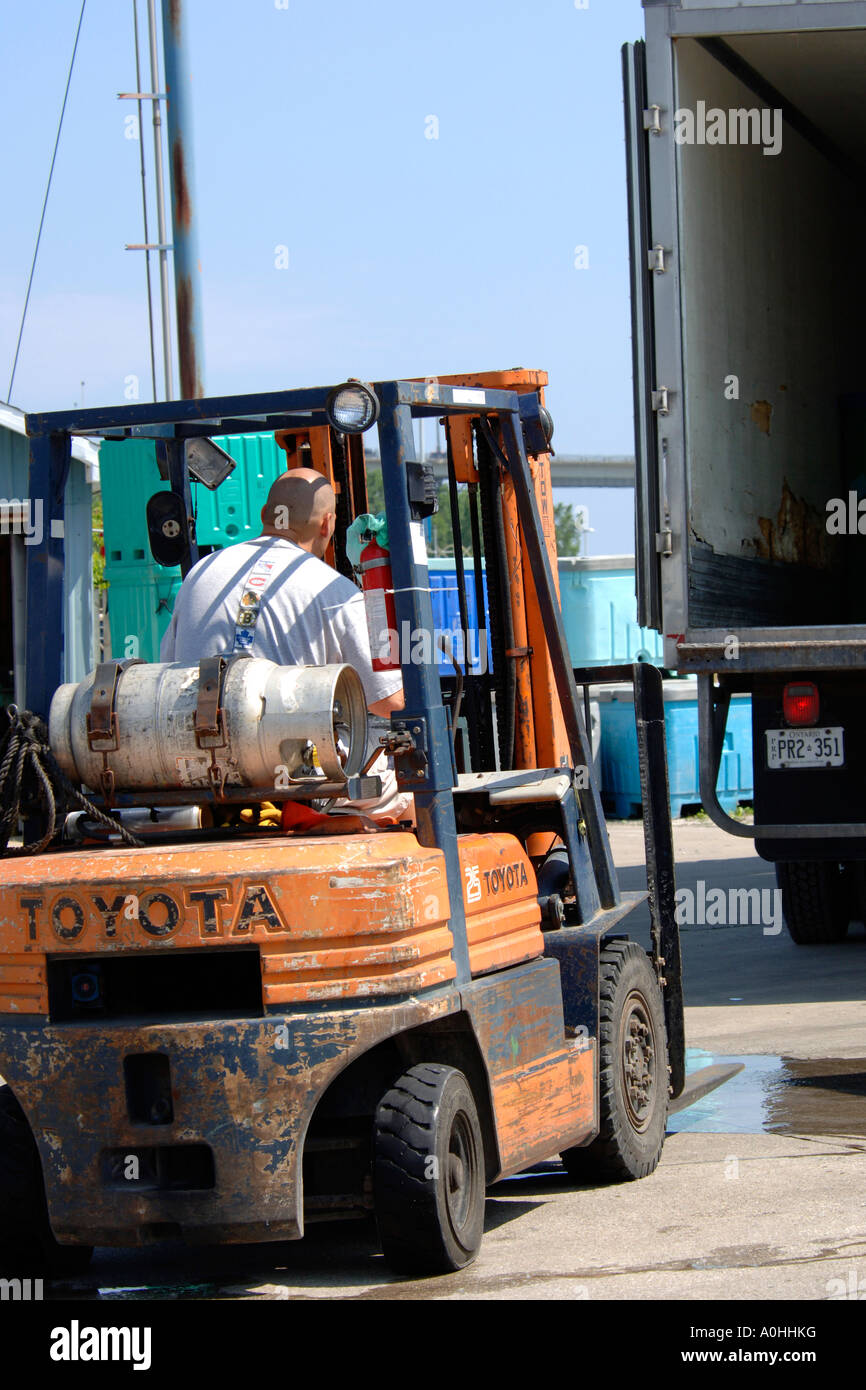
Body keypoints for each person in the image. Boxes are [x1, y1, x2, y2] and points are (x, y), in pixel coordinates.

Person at [160, 468, 409, 823]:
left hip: (200, 773)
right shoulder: (333, 590)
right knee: (410, 783)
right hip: (292, 781)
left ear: (265, 515)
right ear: (327, 525)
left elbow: (170, 669)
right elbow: (391, 702)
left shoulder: (198, 575)